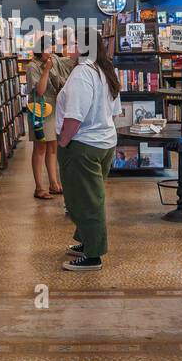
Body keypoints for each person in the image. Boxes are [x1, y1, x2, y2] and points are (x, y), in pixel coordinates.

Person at [55, 33, 122, 272]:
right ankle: (86, 241)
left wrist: (63, 142)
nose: (67, 46)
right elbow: (114, 112)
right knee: (87, 197)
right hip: (104, 143)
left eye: (71, 42)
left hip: (82, 146)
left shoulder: (82, 73)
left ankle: (94, 255)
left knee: (86, 201)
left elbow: (74, 116)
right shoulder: (105, 71)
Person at [25, 33, 72, 199]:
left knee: (53, 147)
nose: (51, 51)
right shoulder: (33, 66)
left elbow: (69, 62)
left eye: (52, 48)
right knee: (40, 148)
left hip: (53, 109)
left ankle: (53, 183)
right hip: (39, 109)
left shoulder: (54, 60)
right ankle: (39, 187)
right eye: (47, 48)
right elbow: (40, 90)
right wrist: (46, 69)